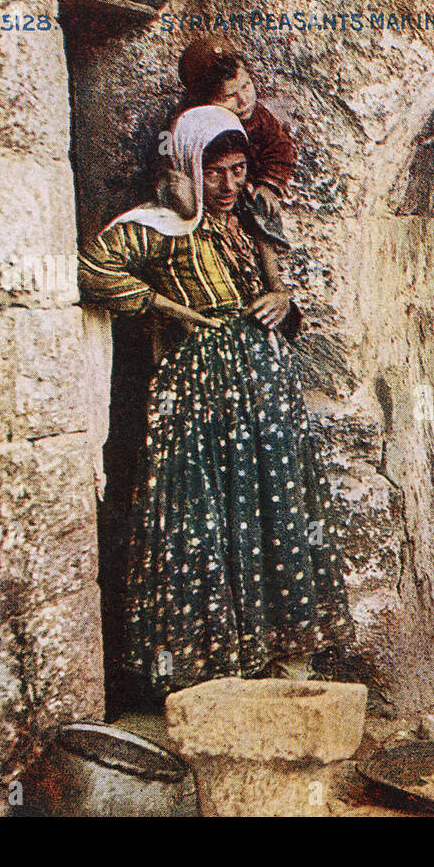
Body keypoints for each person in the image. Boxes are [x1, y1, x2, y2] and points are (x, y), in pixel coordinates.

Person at [79, 105, 353, 696]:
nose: (229, 186)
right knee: (204, 512)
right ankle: (211, 666)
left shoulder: (246, 220)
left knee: (271, 507)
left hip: (266, 383)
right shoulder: (159, 226)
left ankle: (283, 654)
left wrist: (280, 299)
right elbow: (93, 269)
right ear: (185, 170)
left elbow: (274, 283)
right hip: (200, 386)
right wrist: (171, 311)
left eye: (238, 170)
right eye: (215, 174)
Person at [161, 36, 297, 223]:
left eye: (246, 86)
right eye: (229, 96)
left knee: (263, 214)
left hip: (242, 186)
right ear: (203, 100)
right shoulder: (184, 123)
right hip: (206, 192)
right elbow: (164, 156)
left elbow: (279, 145)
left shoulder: (259, 117)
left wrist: (268, 183)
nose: (244, 100)